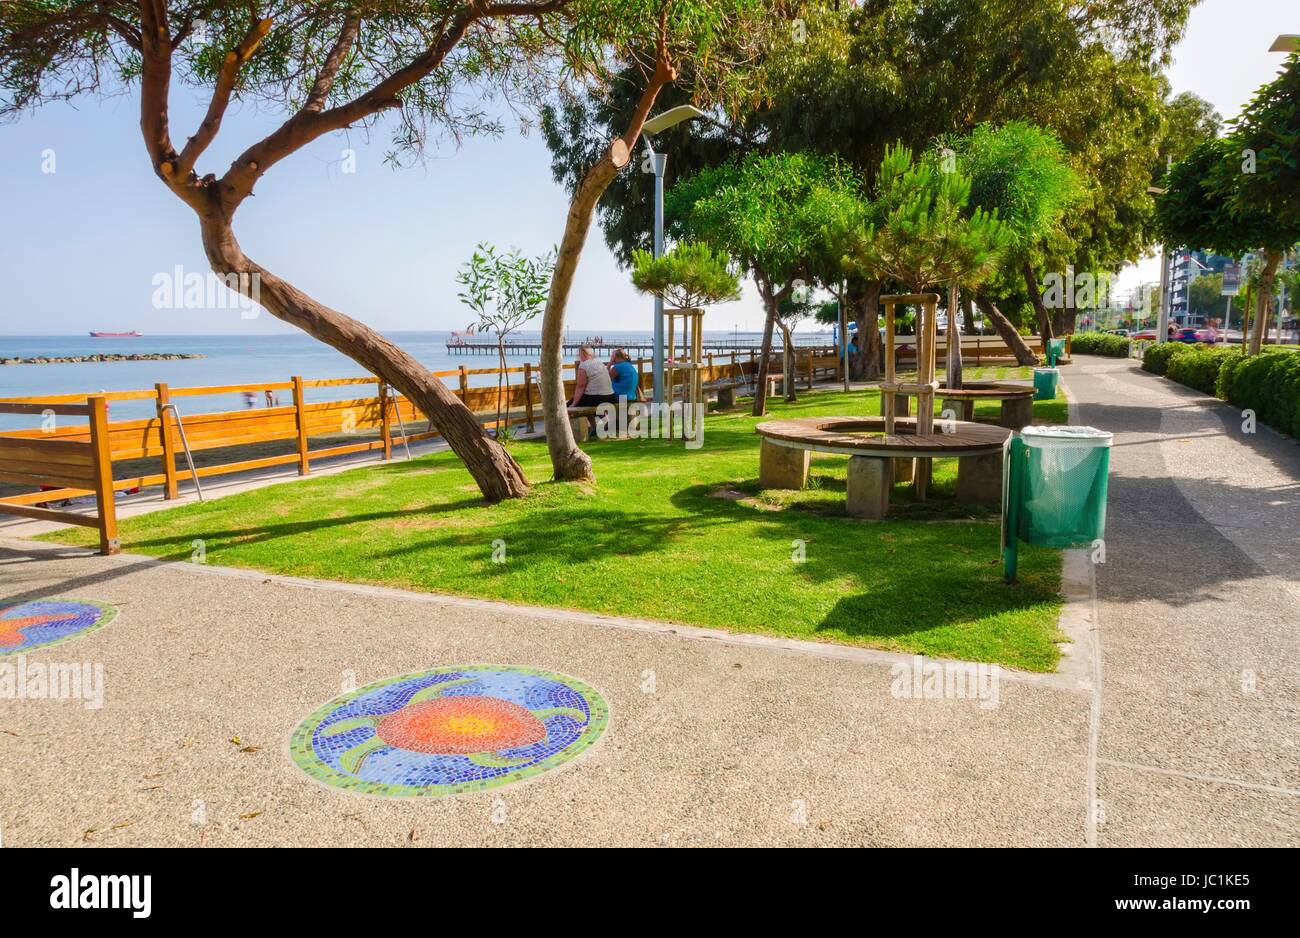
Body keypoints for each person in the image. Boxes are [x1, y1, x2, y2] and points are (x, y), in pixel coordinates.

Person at [570, 344, 616, 438]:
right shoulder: (599, 363)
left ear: (582, 353)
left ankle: (588, 430)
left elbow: (580, 386)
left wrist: (574, 403)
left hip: (597, 397)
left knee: (571, 406)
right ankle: (600, 426)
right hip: (610, 396)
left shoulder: (584, 365)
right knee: (588, 404)